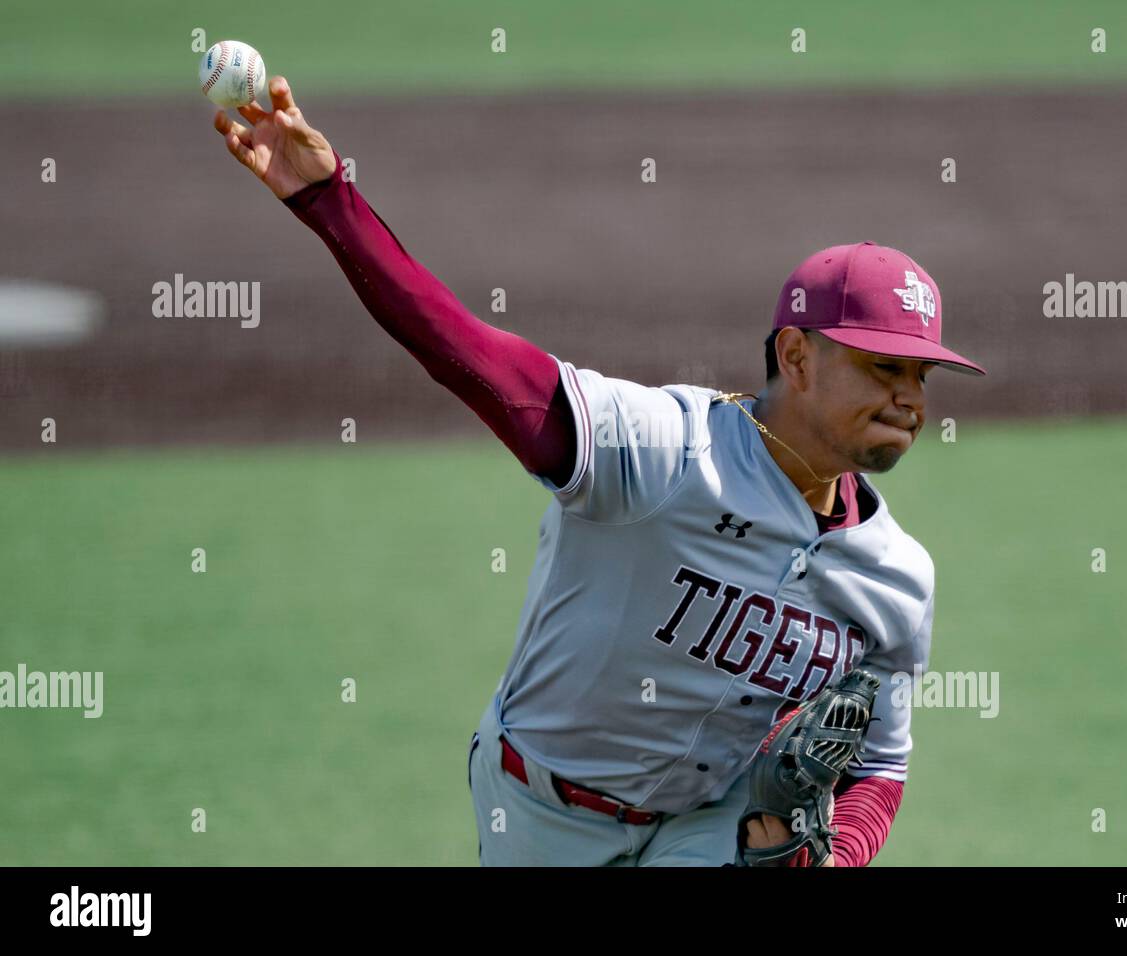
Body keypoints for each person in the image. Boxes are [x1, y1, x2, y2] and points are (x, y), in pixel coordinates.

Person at [212, 76, 986, 866]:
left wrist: (838, 855)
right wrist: (327, 202)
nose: (909, 398)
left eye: (921, 377)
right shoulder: (661, 452)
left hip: (708, 823)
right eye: (885, 367)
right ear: (797, 356)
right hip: (542, 810)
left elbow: (881, 765)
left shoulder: (898, 579)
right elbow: (467, 353)